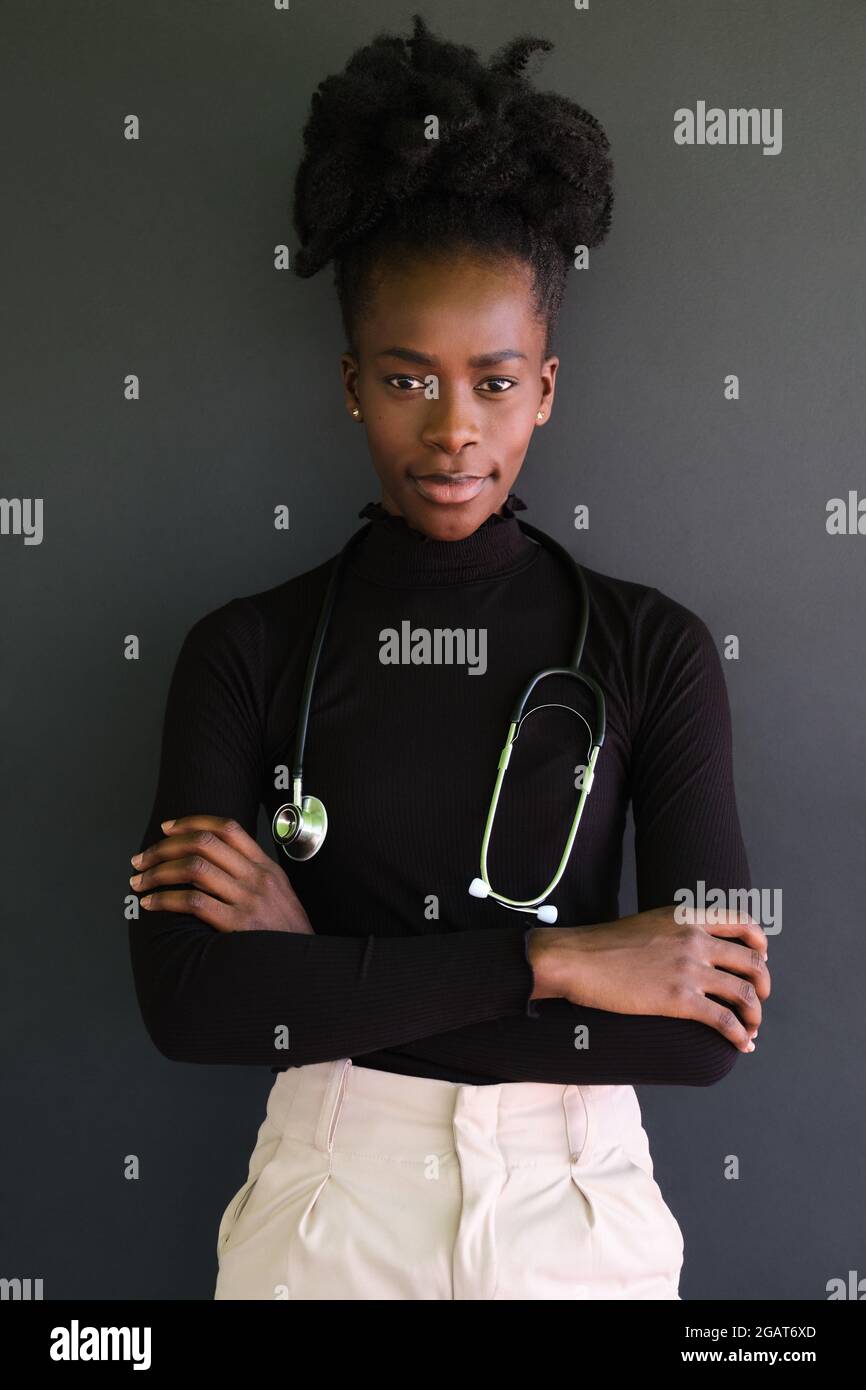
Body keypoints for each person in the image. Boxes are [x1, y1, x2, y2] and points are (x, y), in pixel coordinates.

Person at [128, 14, 770, 1301]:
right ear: (351, 383)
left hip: (575, 1213)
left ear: (544, 386)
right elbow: (192, 1006)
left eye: (492, 380)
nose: (453, 432)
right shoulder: (244, 652)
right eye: (410, 381)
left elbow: (705, 1037)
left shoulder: (652, 647)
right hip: (329, 1212)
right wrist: (559, 957)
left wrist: (315, 966)